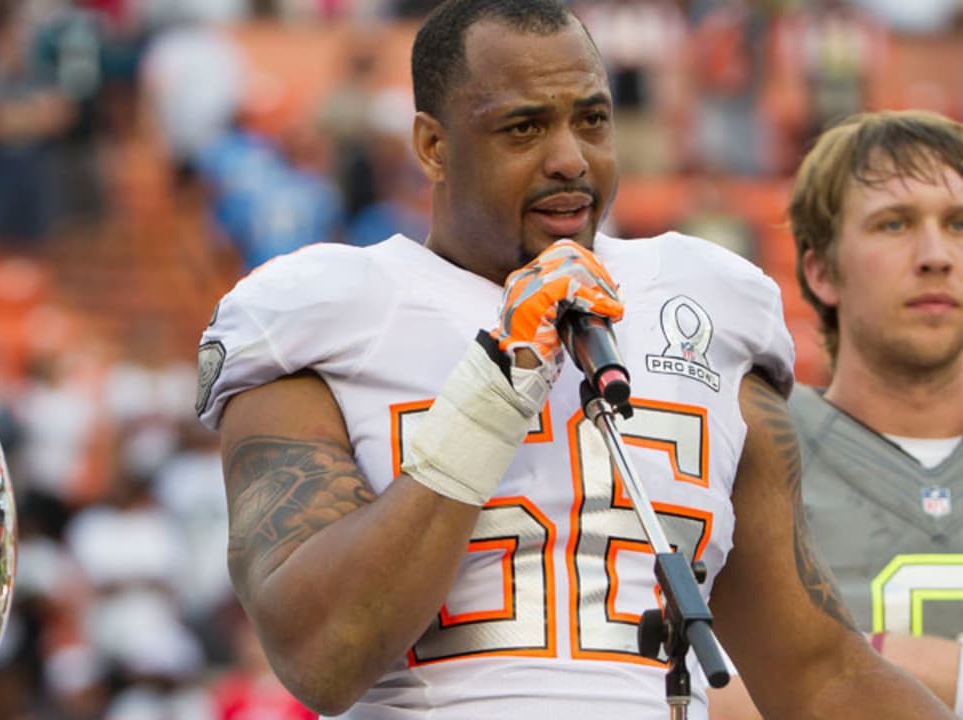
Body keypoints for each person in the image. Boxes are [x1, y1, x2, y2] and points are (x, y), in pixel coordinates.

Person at [194, 2, 952, 717]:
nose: (570, 159)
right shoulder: (317, 314)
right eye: (523, 129)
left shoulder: (709, 305)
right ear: (433, 146)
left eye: (592, 120)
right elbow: (323, 658)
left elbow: (815, 669)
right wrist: (500, 380)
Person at [708, 111, 963, 718]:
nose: (936, 255)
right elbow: (666, 688)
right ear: (821, 271)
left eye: (959, 224)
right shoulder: (738, 444)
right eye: (894, 223)